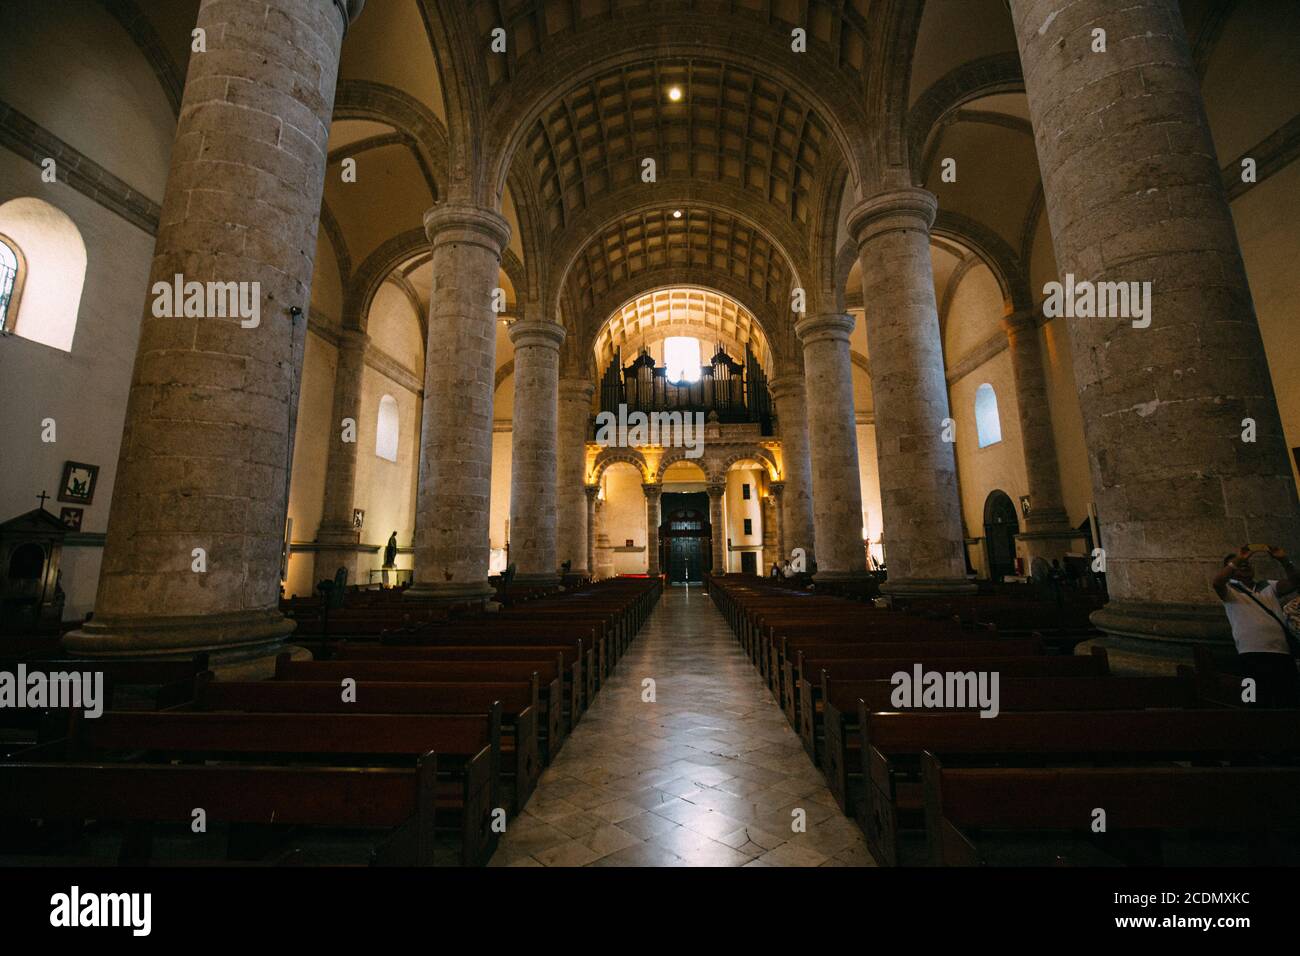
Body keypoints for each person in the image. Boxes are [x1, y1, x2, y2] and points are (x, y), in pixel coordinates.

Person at [1212, 544, 1300, 707]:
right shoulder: (1230, 590)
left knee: (1289, 701)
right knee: (1254, 702)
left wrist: (1283, 559)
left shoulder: (1268, 586)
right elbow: (1217, 582)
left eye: (1247, 564)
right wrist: (1239, 559)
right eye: (1240, 565)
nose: (1245, 565)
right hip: (1250, 655)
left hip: (1281, 654)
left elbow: (1295, 582)